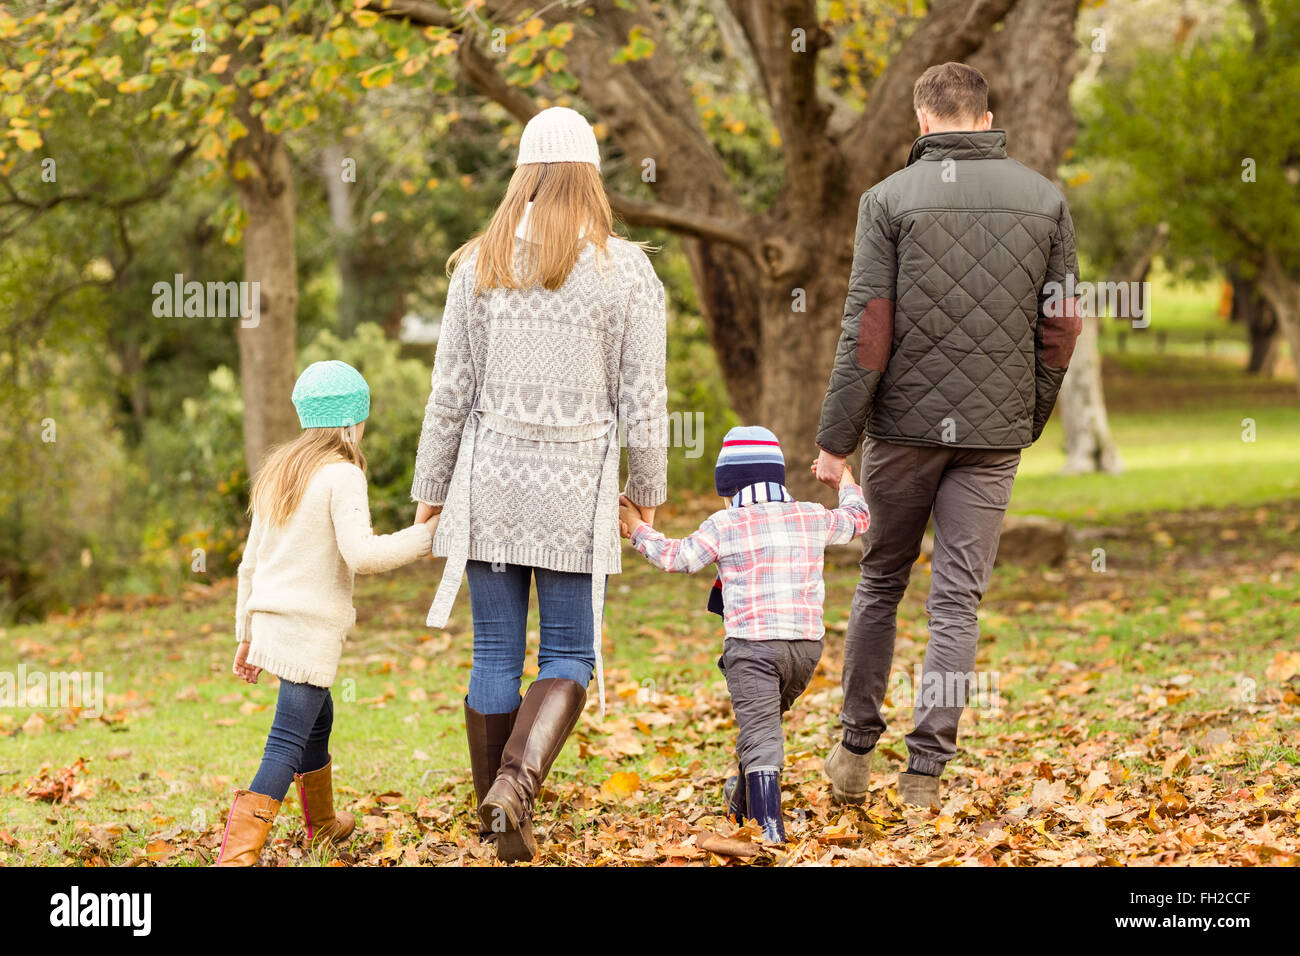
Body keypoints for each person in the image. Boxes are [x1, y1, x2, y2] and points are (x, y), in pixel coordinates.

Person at [813, 62, 1082, 808]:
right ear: (986, 115)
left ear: (923, 119)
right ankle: (926, 774)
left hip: (901, 430)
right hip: (994, 434)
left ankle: (854, 751)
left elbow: (869, 329)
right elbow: (1061, 326)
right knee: (958, 601)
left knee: (880, 582)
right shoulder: (1044, 199)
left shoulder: (887, 200)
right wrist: (1026, 414)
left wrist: (836, 441)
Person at [411, 107, 668, 863]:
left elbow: (448, 392)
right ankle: (512, 795)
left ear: (524, 173)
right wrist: (646, 488)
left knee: (494, 653)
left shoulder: (480, 264)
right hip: (575, 487)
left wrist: (431, 486)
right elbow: (644, 395)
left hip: (490, 479)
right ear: (590, 176)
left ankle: (499, 814)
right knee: (568, 655)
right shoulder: (627, 271)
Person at [218, 360, 439, 866]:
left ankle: (322, 826)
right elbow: (362, 554)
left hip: (273, 620)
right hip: (306, 628)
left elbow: (249, 562)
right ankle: (237, 855)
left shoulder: (281, 471)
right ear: (352, 421)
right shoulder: (342, 474)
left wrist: (245, 632)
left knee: (318, 718)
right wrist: (427, 537)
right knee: (285, 742)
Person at [620, 426, 869, 841]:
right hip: (806, 651)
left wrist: (637, 529)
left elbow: (677, 557)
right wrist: (845, 480)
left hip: (753, 649)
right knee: (762, 724)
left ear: (729, 487)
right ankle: (741, 805)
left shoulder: (725, 523)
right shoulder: (809, 515)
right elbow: (858, 520)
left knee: (760, 733)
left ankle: (770, 829)